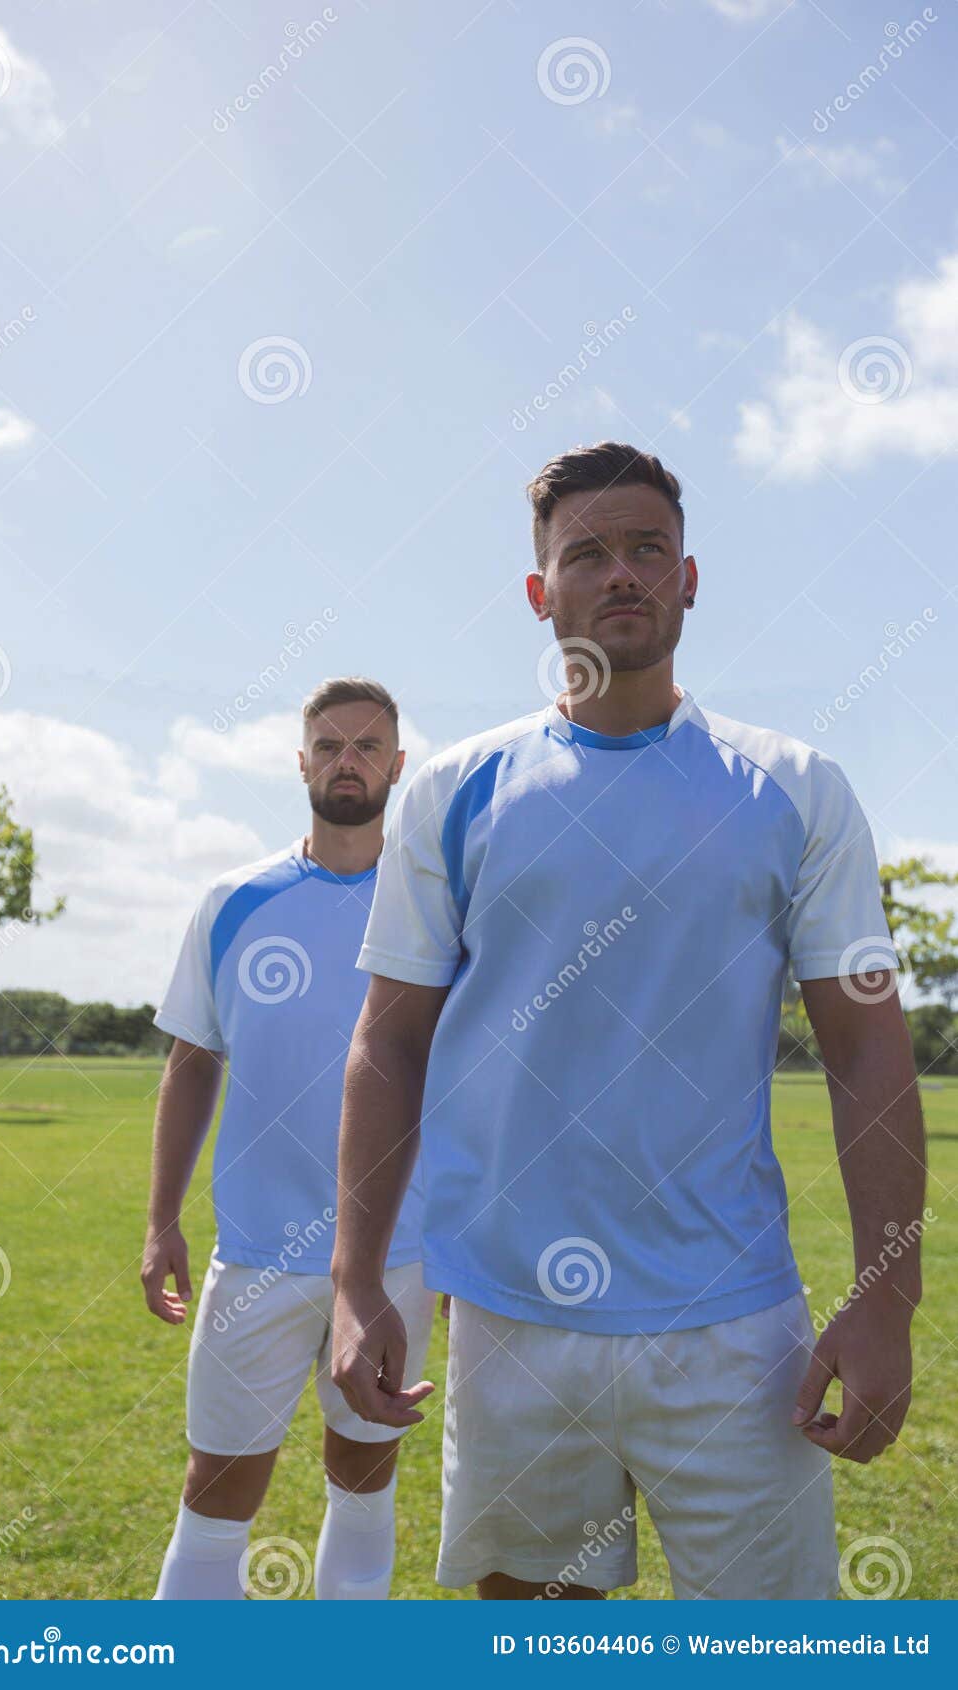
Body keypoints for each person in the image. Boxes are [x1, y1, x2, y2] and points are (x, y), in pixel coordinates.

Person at [330, 443, 925, 1601]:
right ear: (537, 591)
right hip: (510, 1324)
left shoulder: (796, 788)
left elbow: (865, 1049)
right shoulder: (452, 792)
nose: (620, 573)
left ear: (687, 579)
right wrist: (357, 1285)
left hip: (733, 1331)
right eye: (585, 553)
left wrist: (884, 1300)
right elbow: (385, 1044)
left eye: (647, 548)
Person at [144, 677, 434, 1601]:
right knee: (216, 1490)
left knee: (364, 1478)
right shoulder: (232, 900)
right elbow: (192, 1063)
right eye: (329, 745)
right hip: (257, 1255)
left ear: (397, 765)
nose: (347, 761)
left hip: (398, 1258)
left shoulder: (436, 902)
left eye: (367, 746)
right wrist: (160, 1220)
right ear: (300, 762)